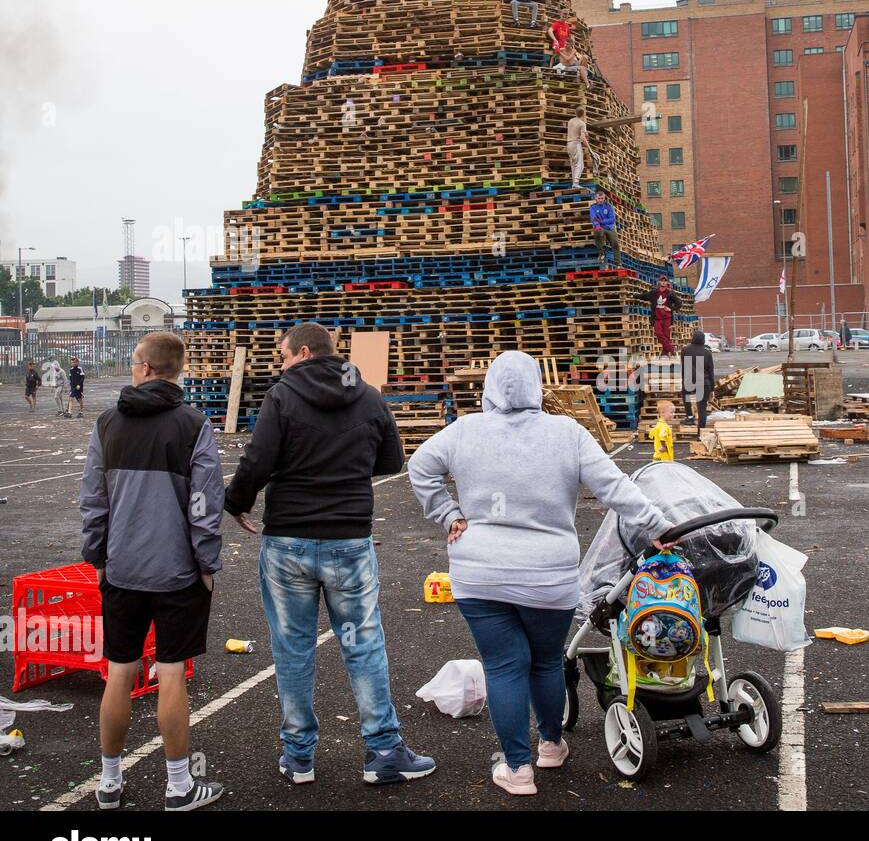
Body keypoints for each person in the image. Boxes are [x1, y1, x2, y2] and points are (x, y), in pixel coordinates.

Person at [408, 351, 673, 797]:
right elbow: (613, 486)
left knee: (504, 667)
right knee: (547, 661)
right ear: (537, 386)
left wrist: (448, 513)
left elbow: (419, 467)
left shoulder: (464, 430)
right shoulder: (566, 432)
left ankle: (517, 769)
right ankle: (551, 745)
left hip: (480, 572)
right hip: (548, 574)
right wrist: (658, 526)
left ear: (489, 385)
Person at [224, 322, 435, 787]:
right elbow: (391, 462)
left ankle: (299, 755)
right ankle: (383, 749)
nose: (280, 363)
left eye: (282, 355)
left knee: (292, 648)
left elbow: (256, 461)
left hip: (288, 540)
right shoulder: (369, 395)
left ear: (301, 352)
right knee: (364, 645)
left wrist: (235, 503)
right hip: (349, 539)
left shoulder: (281, 397)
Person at [79, 331, 226, 811]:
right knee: (171, 675)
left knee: (119, 671)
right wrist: (206, 563)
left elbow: (93, 503)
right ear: (178, 370)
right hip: (178, 573)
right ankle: (180, 787)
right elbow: (204, 505)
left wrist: (98, 558)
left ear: (143, 366)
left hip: (122, 570)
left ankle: (108, 783)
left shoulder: (106, 424)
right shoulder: (194, 424)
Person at [681, 330, 716, 430]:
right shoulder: (707, 353)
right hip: (704, 383)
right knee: (702, 409)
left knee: (685, 394)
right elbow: (711, 372)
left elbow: (684, 367)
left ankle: (690, 417)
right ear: (703, 340)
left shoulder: (685, 350)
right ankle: (700, 433)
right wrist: (712, 389)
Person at [644, 275, 680, 356]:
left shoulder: (670, 294)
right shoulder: (654, 293)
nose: (663, 282)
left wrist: (671, 309)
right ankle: (671, 349)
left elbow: (679, 303)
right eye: (662, 280)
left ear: (667, 283)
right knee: (659, 334)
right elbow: (644, 296)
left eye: (665, 281)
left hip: (667, 318)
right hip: (657, 318)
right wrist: (634, 295)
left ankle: (665, 353)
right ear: (659, 282)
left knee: (666, 336)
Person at [590, 191, 620, 263]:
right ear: (596, 198)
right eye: (599, 198)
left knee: (615, 243)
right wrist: (597, 225)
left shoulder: (608, 206)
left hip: (610, 227)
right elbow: (593, 218)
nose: (600, 200)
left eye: (602, 198)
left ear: (604, 198)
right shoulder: (593, 207)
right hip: (600, 227)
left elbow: (612, 219)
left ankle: (618, 262)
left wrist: (602, 221)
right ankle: (601, 253)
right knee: (598, 232)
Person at [567, 107, 590, 188]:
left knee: (573, 164)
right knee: (580, 165)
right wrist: (589, 148)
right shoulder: (582, 124)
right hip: (576, 144)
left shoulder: (570, 121)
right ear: (583, 114)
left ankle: (574, 183)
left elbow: (574, 130)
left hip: (569, 144)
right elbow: (583, 138)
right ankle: (576, 183)